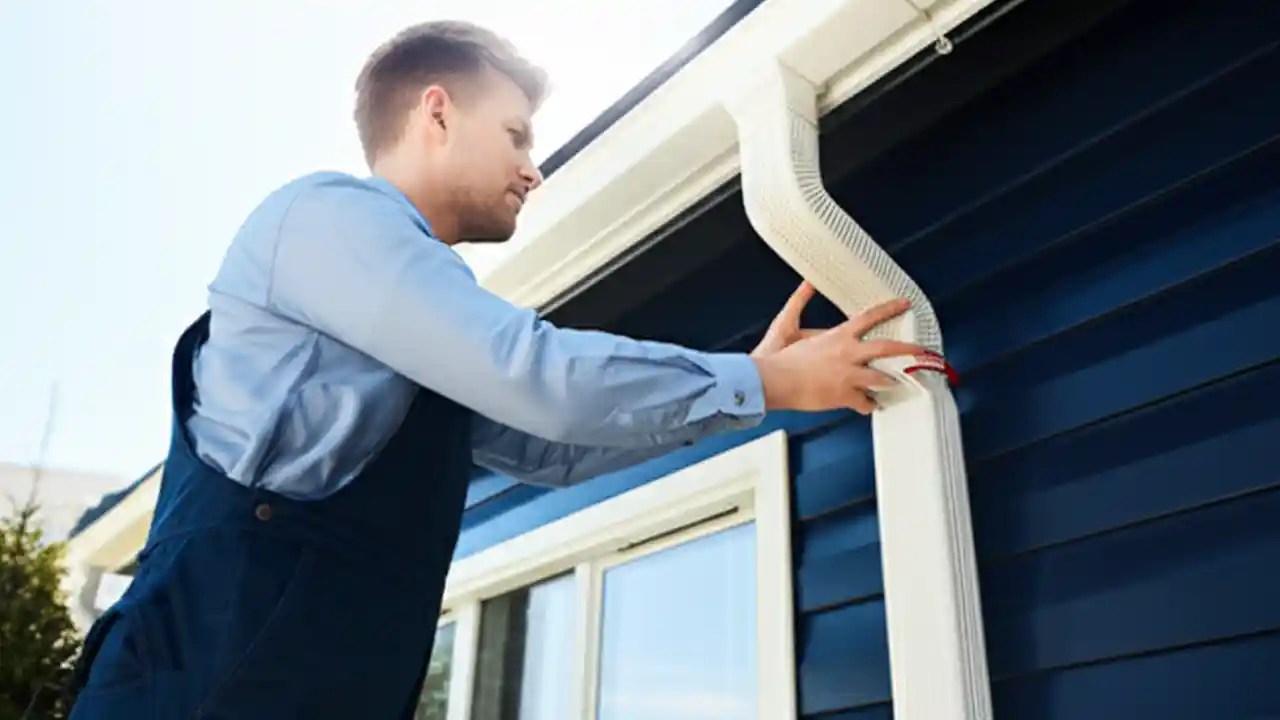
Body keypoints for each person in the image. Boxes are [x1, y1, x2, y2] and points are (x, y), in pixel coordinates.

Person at [67, 19, 923, 719]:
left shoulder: (417, 312)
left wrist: (751, 391)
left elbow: (551, 447)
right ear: (436, 112)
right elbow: (533, 374)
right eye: (514, 134)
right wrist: (764, 382)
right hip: (197, 693)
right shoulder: (325, 219)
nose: (532, 167)